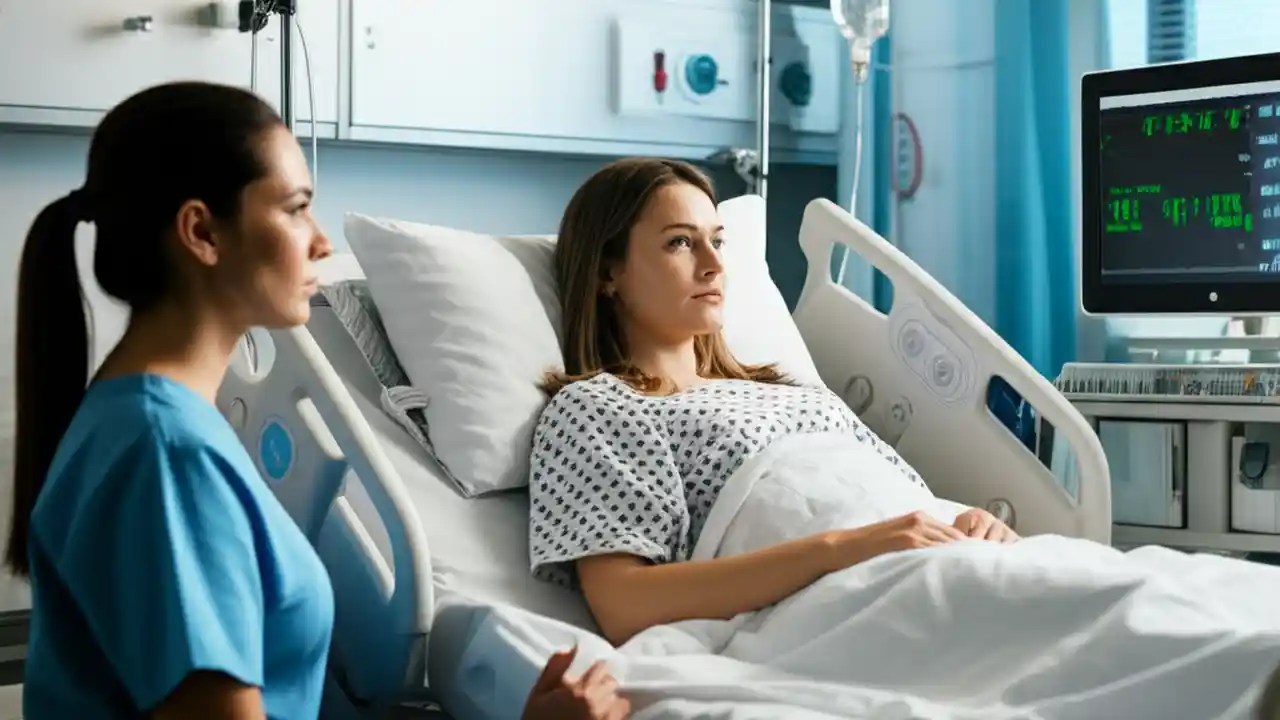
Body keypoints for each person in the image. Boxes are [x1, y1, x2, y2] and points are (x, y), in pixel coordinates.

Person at [8, 81, 628, 720]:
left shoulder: (156, 419)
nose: (322, 242)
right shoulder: (166, 455)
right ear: (201, 232)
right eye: (296, 208)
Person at [527, 157, 1019, 647]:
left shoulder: (790, 391)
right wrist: (840, 549)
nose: (715, 263)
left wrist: (973, 522)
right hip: (855, 600)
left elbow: (905, 510)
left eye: (717, 240)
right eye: (680, 242)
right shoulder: (599, 407)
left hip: (944, 561)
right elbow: (624, 605)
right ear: (607, 273)